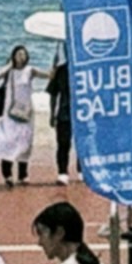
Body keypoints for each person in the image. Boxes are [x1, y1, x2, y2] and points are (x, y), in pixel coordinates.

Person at [0, 46, 36, 192]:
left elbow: (48, 75)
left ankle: (23, 174)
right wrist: (10, 65)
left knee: (25, 141)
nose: (22, 57)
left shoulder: (30, 70)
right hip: (10, 111)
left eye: (24, 54)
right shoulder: (10, 71)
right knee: (9, 141)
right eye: (19, 54)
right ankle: (7, 174)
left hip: (26, 111)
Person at [48, 48, 73, 178]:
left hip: (84, 113)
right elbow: (53, 93)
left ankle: (82, 170)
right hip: (64, 113)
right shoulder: (61, 69)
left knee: (85, 144)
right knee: (63, 143)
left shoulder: (87, 69)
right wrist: (52, 114)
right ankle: (62, 171)